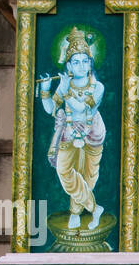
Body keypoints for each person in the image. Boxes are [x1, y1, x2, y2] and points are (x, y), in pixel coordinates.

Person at [41, 30, 106, 231]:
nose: (80, 66)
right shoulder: (64, 84)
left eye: (84, 61)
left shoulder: (98, 87)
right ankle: (95, 209)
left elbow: (82, 109)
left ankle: (76, 214)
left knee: (88, 177)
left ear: (90, 63)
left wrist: (65, 89)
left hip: (93, 133)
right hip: (69, 133)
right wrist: (45, 90)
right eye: (75, 62)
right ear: (68, 65)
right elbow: (51, 109)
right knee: (65, 171)